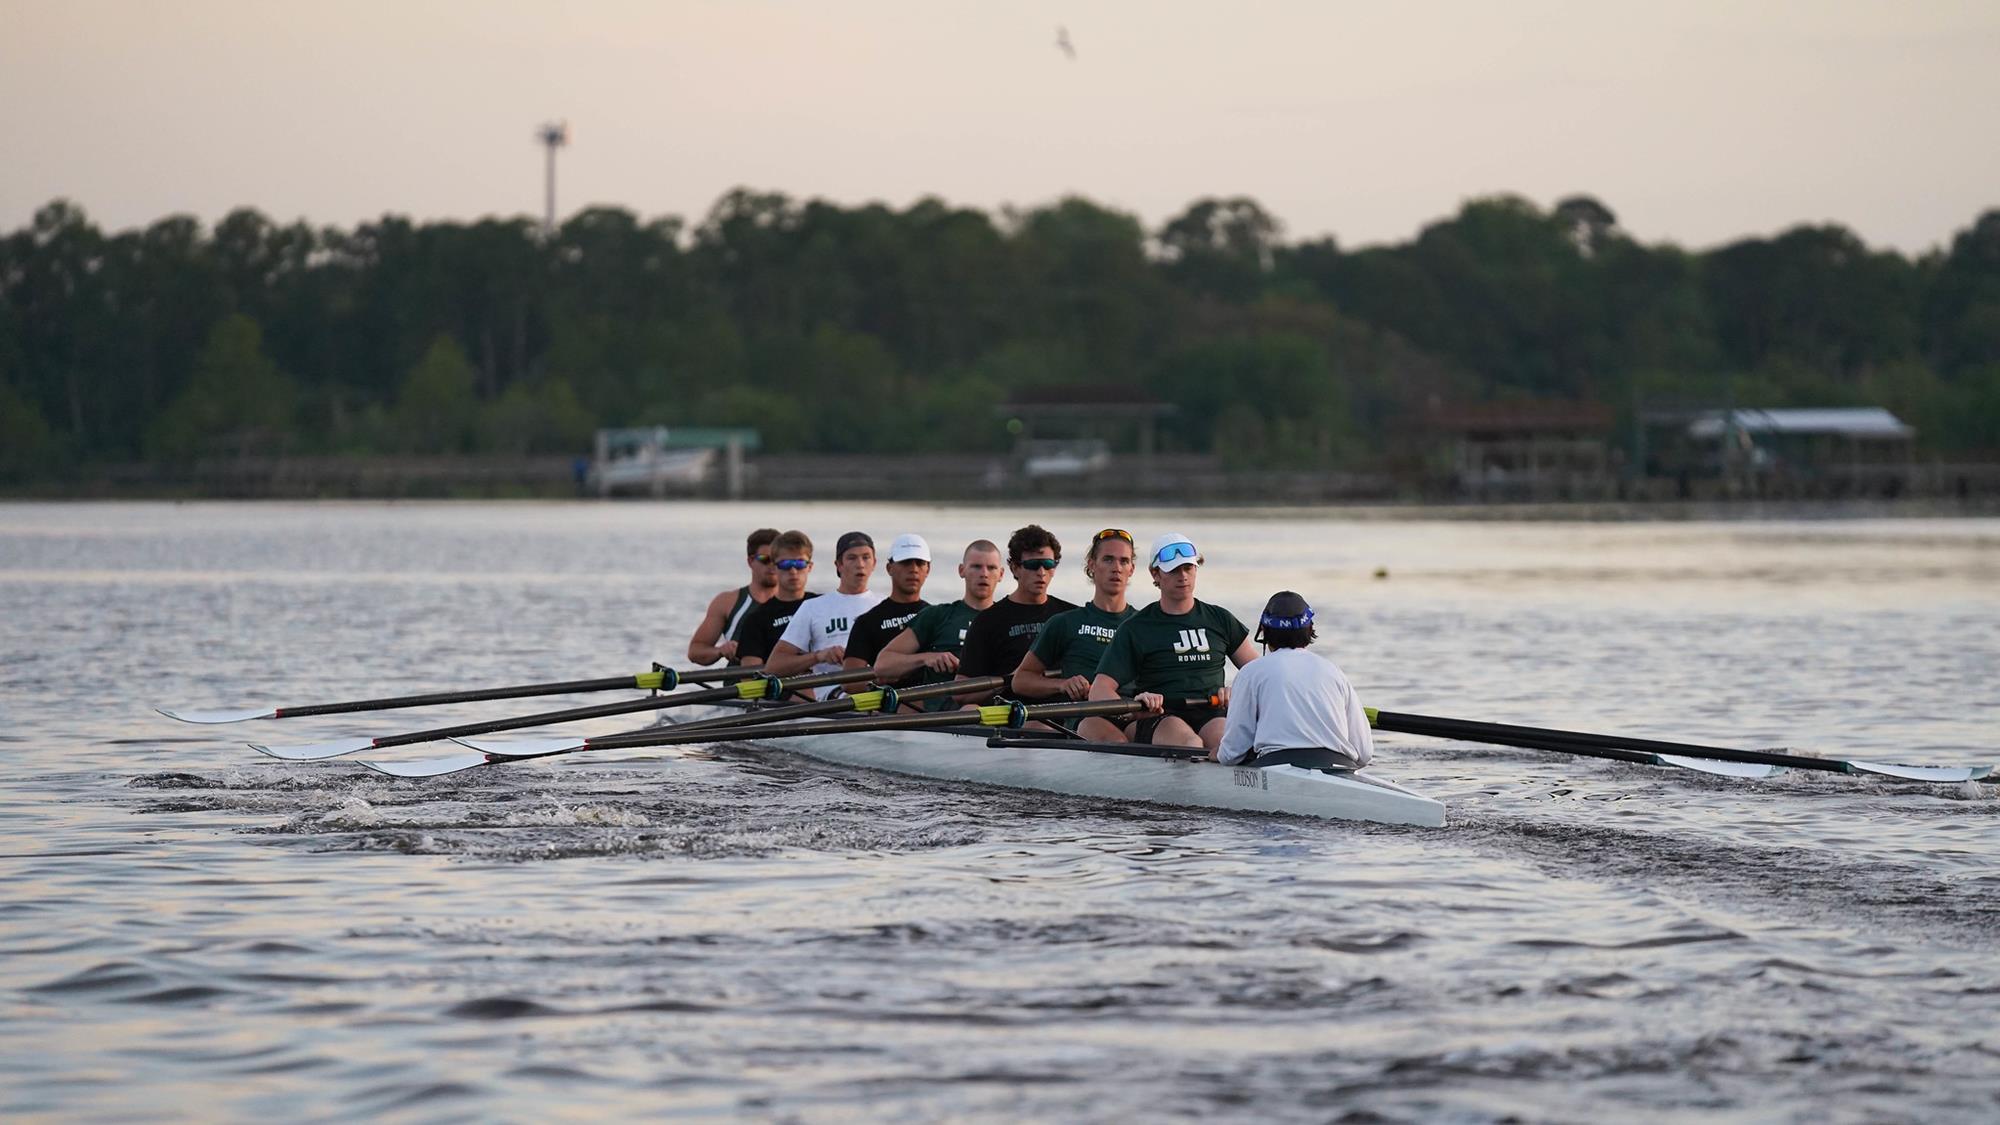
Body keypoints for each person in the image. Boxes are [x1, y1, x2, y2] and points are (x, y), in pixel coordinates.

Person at [1088, 532, 1257, 750]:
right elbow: (1099, 690)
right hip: (1160, 716)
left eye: (1188, 568)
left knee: (1228, 743)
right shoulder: (1136, 627)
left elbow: (1259, 673)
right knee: (1191, 744)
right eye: (1174, 570)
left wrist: (1238, 689)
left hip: (1211, 711)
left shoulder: (1220, 619)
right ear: (1155, 574)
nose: (1183, 576)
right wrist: (1134, 708)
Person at [1212, 591, 1374, 769]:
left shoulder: (1251, 672)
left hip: (1276, 767)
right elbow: (1364, 753)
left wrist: (1219, 753)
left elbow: (1231, 754)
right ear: (1310, 630)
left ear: (1264, 631)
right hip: (1339, 768)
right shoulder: (1334, 672)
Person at [1012, 528, 1138, 725]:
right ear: (1092, 565)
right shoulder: (1065, 623)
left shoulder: (1143, 623)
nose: (1117, 568)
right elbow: (1020, 680)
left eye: (1124, 561)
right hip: (1087, 720)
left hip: (1134, 715)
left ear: (1131, 569)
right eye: (1108, 559)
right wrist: (1062, 685)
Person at [955, 524, 1077, 703]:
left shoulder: (1071, 615)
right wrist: (1012, 681)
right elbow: (961, 693)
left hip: (1065, 714)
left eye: (1048, 564)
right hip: (1011, 715)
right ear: (1014, 568)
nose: (1041, 572)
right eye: (1033, 565)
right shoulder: (988, 621)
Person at [873, 539, 1004, 705]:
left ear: (1001, 574)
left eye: (991, 568)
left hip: (992, 713)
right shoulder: (937, 615)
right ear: (961, 570)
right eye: (976, 567)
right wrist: (926, 658)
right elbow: (883, 665)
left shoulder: (1009, 618)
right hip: (939, 717)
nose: (984, 574)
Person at [766, 532, 886, 694]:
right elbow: (774, 667)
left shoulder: (886, 605)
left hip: (881, 691)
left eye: (866, 557)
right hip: (835, 697)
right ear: (839, 565)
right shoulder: (813, 608)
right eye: (852, 558)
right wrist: (818, 656)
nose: (860, 564)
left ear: (874, 563)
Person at [687, 527, 781, 665]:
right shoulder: (726, 602)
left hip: (785, 683)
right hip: (739, 683)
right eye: (765, 559)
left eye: (776, 560)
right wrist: (720, 650)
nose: (771, 565)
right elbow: (695, 651)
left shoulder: (802, 603)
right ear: (750, 561)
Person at [842, 534, 932, 674]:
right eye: (906, 562)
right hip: (886, 693)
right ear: (889, 568)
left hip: (929, 694)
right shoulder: (867, 622)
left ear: (928, 569)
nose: (914, 569)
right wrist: (879, 678)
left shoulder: (939, 616)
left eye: (920, 563)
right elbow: (849, 682)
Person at [731, 530, 819, 668]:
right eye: (785, 564)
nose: (793, 571)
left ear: (810, 567)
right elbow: (749, 678)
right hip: (783, 687)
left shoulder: (826, 605)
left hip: (828, 686)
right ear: (774, 566)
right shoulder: (756, 620)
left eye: (800, 563)